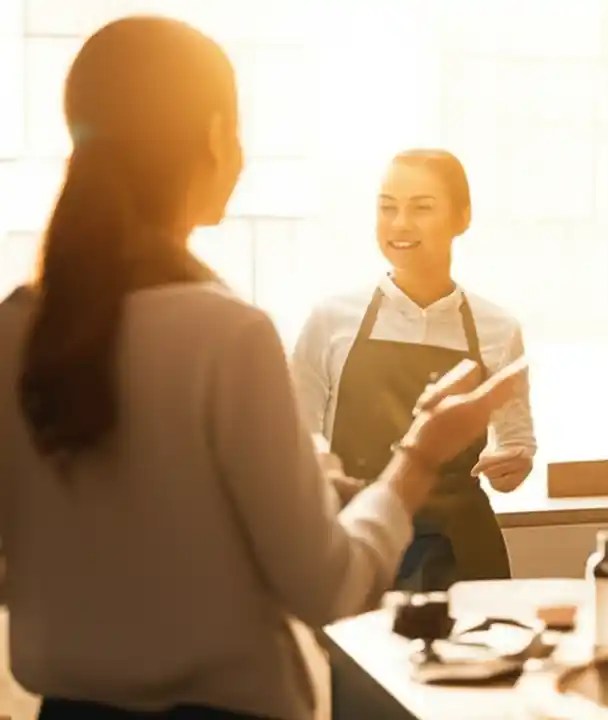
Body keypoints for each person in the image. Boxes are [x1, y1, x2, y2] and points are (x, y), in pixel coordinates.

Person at [0, 17, 523, 720]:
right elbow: (328, 588)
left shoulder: (16, 325)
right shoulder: (227, 335)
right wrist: (420, 453)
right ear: (214, 136)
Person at [292, 149, 536, 591]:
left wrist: (512, 467)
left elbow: (516, 448)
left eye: (421, 208)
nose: (400, 223)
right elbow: (297, 437)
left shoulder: (498, 328)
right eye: (388, 207)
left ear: (463, 217)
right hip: (361, 544)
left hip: (463, 555)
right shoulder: (331, 319)